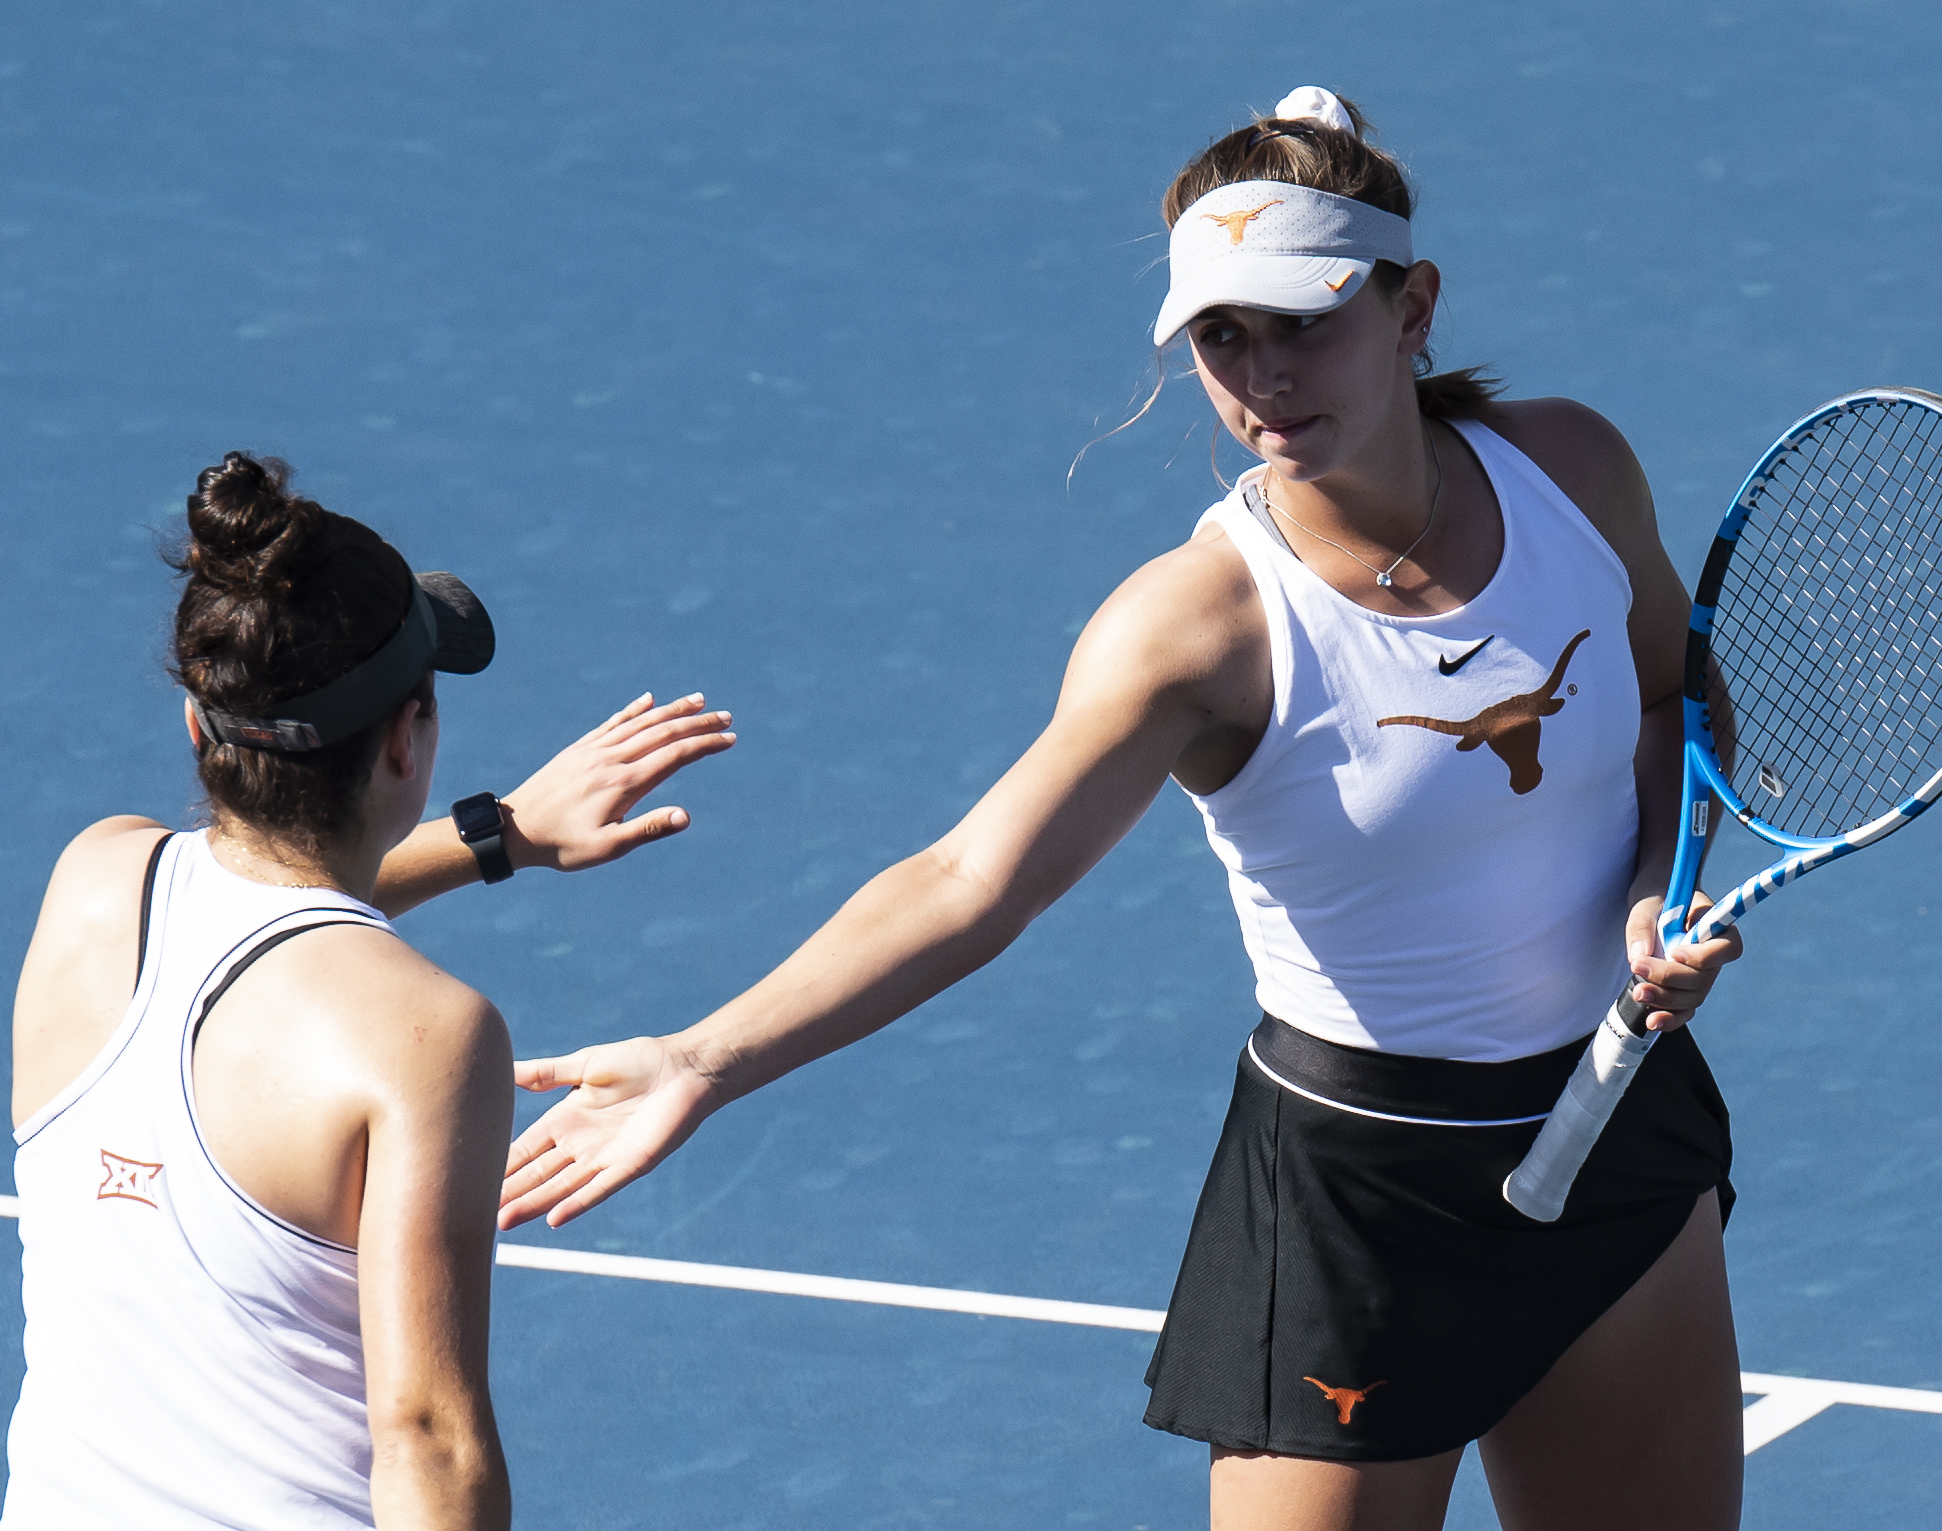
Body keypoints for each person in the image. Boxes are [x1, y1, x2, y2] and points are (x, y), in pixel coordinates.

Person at [499, 88, 1746, 1531]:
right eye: (1221, 337)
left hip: (1613, 1126)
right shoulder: (1196, 629)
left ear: (1410, 310)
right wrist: (702, 1057)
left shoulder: (1571, 471)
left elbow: (1672, 705)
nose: (1262, 378)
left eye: (1302, 324)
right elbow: (971, 877)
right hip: (1361, 1200)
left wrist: (1655, 888)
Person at [5, 452, 733, 1530]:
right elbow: (429, 1438)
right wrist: (490, 833)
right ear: (407, 740)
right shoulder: (427, 1037)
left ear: (200, 727)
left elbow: (257, 913)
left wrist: (498, 835)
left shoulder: (96, 882)